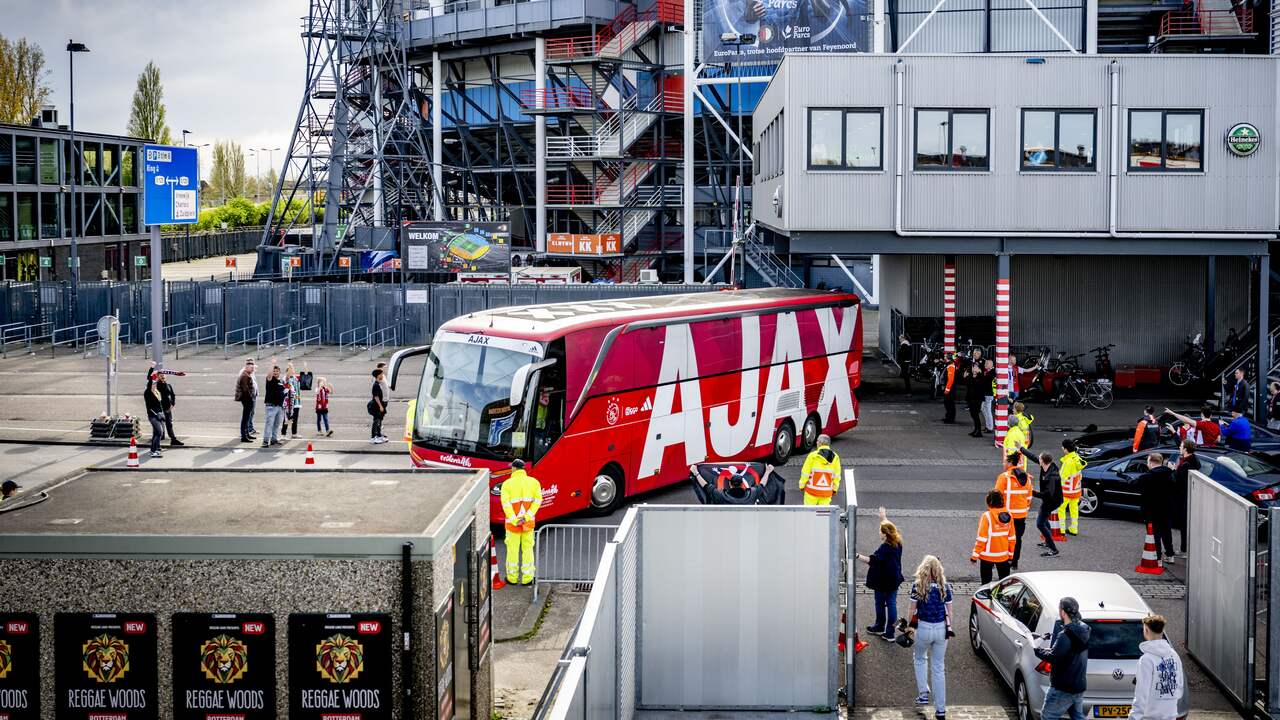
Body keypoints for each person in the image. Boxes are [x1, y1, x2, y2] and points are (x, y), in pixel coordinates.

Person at [907, 555, 954, 720]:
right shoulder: (945, 587)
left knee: (919, 658)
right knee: (938, 668)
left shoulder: (918, 586)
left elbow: (912, 609)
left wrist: (910, 628)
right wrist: (949, 628)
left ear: (924, 569)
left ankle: (923, 694)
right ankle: (940, 709)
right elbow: (950, 612)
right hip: (941, 628)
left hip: (923, 628)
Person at [1035, 597, 1091, 720]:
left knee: (1047, 717)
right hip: (1078, 686)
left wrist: (1036, 648)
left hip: (1063, 689)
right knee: (1077, 717)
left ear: (1063, 612)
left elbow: (1054, 657)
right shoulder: (1084, 629)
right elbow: (1064, 652)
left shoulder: (1065, 635)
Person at [856, 507, 904, 641]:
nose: (878, 532)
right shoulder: (897, 541)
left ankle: (879, 626)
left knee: (880, 604)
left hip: (883, 582)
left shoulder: (885, 548)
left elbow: (872, 560)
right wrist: (883, 517)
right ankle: (890, 633)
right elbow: (891, 528)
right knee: (892, 605)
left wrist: (857, 555)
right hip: (894, 579)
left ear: (885, 534)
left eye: (880, 531)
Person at [1130, 615, 1186, 720]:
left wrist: (1133, 717)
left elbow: (1141, 694)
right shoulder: (1174, 655)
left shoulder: (1146, 660)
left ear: (1146, 630)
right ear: (1162, 631)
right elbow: (1179, 687)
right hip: (1170, 715)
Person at [500, 459, 543, 585]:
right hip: (528, 524)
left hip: (512, 525)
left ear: (514, 468)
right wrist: (527, 517)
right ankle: (528, 579)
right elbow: (537, 501)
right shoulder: (534, 482)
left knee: (512, 551)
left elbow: (506, 504)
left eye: (511, 467)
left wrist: (514, 520)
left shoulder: (507, 484)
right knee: (528, 550)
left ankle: (512, 578)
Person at [1024, 449, 1063, 557]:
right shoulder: (1046, 465)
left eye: (1039, 458)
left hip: (1052, 501)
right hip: (1049, 500)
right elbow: (1033, 457)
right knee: (1044, 520)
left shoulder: (1052, 476)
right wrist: (1021, 449)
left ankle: (1053, 549)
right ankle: (1047, 542)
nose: (1038, 459)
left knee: (1040, 523)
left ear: (1043, 461)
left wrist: (1032, 492)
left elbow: (1048, 494)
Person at [1138, 452, 1176, 563]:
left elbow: (1135, 484)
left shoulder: (1146, 477)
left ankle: (1157, 557)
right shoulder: (1170, 474)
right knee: (1166, 532)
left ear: (1150, 462)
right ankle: (1170, 555)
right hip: (1166, 509)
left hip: (1151, 510)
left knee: (1154, 534)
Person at [971, 489, 1015, 583]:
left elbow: (982, 538)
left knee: (986, 582)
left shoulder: (986, 516)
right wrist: (1011, 556)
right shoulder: (1009, 516)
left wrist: (975, 556)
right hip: (1003, 555)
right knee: (1004, 582)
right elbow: (1012, 538)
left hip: (987, 556)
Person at [994, 462, 1032, 568]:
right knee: (1017, 538)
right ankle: (1014, 562)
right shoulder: (1027, 478)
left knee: (1001, 537)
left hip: (1006, 515)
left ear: (1010, 463)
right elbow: (1029, 498)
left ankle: (1000, 560)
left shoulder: (1003, 477)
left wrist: (996, 512)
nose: (1003, 463)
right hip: (1021, 515)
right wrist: (1024, 510)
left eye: (1005, 461)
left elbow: (997, 496)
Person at [691, 464, 776, 505]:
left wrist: (696, 473)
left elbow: (706, 486)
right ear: (742, 484)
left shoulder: (720, 495)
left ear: (729, 484)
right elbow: (762, 484)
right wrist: (767, 472)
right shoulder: (752, 493)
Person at [798, 434, 841, 505]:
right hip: (826, 492)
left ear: (820, 443)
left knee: (809, 511)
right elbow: (837, 475)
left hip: (812, 491)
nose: (816, 442)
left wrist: (802, 485)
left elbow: (805, 473)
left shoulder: (813, 456)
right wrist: (835, 489)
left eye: (817, 441)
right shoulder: (835, 457)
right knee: (824, 511)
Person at [1171, 440, 1197, 555]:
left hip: (1182, 497)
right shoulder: (1193, 459)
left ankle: (1184, 550)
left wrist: (1173, 470)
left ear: (1185, 449)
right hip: (1187, 495)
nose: (1179, 448)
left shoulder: (1186, 464)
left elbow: (1176, 480)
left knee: (1184, 525)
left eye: (1181, 446)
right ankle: (1185, 548)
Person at [1058, 439, 1087, 536]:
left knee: (1061, 509)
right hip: (1075, 490)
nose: (1062, 449)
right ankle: (1074, 529)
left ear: (1066, 449)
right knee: (1074, 510)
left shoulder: (1068, 462)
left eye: (1063, 447)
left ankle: (1061, 529)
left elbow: (1062, 477)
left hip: (1066, 491)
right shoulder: (1077, 458)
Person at [154, 368, 183, 447]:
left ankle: (173, 439)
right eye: (161, 375)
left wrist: (172, 404)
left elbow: (172, 395)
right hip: (160, 409)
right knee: (159, 425)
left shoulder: (168, 385)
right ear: (158, 376)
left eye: (163, 375)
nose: (163, 376)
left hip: (168, 408)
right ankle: (157, 441)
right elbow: (155, 397)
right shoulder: (157, 386)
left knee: (169, 424)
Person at [234, 358, 258, 443]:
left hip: (248, 399)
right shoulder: (245, 376)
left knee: (247, 418)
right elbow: (245, 390)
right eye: (251, 368)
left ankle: (247, 434)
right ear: (247, 367)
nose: (253, 369)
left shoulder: (247, 374)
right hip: (247, 399)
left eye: (253, 368)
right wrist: (251, 398)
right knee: (245, 418)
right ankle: (244, 436)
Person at [143, 371, 166, 459]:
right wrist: (153, 372)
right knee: (159, 432)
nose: (154, 385)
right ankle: (153, 451)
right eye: (153, 385)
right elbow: (150, 382)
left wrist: (162, 413)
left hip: (159, 415)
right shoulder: (148, 392)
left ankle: (154, 450)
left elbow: (159, 403)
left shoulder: (156, 392)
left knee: (156, 433)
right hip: (153, 416)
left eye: (155, 384)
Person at [262, 366, 285, 448]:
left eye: (277, 371)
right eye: (274, 371)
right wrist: (272, 364)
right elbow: (269, 374)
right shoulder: (270, 379)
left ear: (279, 372)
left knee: (276, 424)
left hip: (279, 406)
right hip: (271, 406)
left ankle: (273, 439)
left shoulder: (281, 381)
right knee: (269, 424)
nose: (275, 372)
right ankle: (265, 441)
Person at [965, 364, 986, 438]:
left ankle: (979, 431)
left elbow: (980, 386)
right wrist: (966, 377)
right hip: (970, 398)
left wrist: (978, 374)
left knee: (976, 415)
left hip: (977, 399)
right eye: (973, 367)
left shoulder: (981, 377)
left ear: (979, 369)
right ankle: (975, 429)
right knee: (972, 414)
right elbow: (967, 384)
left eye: (976, 367)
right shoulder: (970, 376)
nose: (974, 369)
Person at [369, 368, 388, 444]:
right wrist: (380, 406)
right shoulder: (376, 385)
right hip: (376, 406)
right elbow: (376, 397)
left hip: (379, 404)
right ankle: (373, 437)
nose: (382, 375)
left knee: (379, 421)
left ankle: (379, 435)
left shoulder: (379, 383)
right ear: (378, 375)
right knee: (376, 421)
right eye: (381, 374)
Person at [284, 365, 302, 438]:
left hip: (297, 402)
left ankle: (294, 433)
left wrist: (306, 368)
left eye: (293, 370)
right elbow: (287, 379)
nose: (292, 371)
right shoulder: (286, 379)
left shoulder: (296, 378)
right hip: (289, 403)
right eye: (290, 370)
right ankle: (283, 434)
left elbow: (305, 377)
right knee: (287, 418)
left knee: (295, 419)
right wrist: (290, 367)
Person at [941, 354, 958, 424]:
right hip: (949, 388)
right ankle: (948, 416)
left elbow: (950, 380)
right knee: (948, 403)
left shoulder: (951, 366)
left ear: (948, 358)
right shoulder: (949, 364)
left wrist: (947, 389)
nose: (944, 358)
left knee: (949, 403)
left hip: (950, 388)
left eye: (945, 357)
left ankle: (950, 418)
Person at [981, 359, 996, 433]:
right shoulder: (986, 372)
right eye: (985, 363)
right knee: (983, 409)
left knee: (988, 411)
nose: (985, 364)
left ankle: (990, 427)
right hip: (985, 394)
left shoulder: (992, 373)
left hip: (989, 394)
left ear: (991, 365)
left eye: (987, 363)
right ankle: (988, 426)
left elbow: (986, 381)